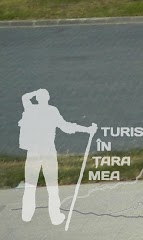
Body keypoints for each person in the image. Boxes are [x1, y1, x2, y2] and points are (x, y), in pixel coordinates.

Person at [18, 89, 94, 226]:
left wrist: (35, 93)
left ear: (37, 98)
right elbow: (66, 127)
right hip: (48, 152)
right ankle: (55, 216)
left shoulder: (31, 109)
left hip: (33, 152)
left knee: (30, 184)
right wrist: (86, 129)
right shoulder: (52, 111)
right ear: (47, 98)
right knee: (52, 185)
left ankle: (27, 214)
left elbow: (25, 97)